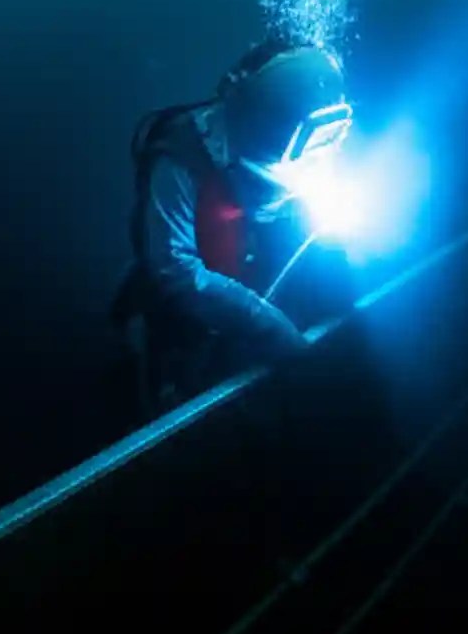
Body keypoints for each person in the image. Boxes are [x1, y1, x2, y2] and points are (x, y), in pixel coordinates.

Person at [110, 39, 354, 410]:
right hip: (186, 330)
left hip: (255, 292)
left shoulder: (303, 139)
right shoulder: (181, 156)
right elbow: (173, 267)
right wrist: (266, 324)